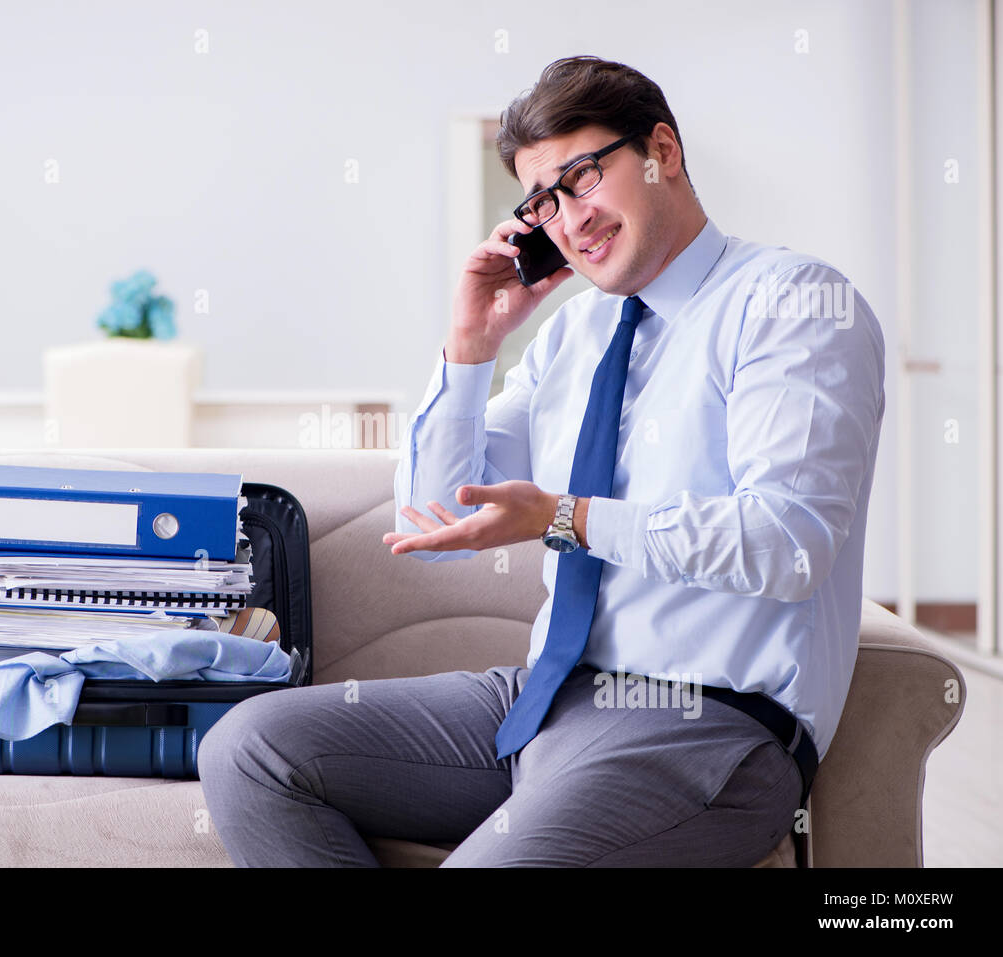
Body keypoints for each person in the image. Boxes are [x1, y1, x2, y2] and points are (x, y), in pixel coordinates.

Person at [196, 55, 886, 867]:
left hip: (704, 727)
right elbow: (437, 509)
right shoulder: (573, 336)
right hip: (544, 698)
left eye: (583, 176)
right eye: (543, 201)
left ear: (660, 149)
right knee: (249, 747)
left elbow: (787, 544)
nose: (569, 218)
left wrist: (567, 516)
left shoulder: (788, 303)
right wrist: (472, 345)